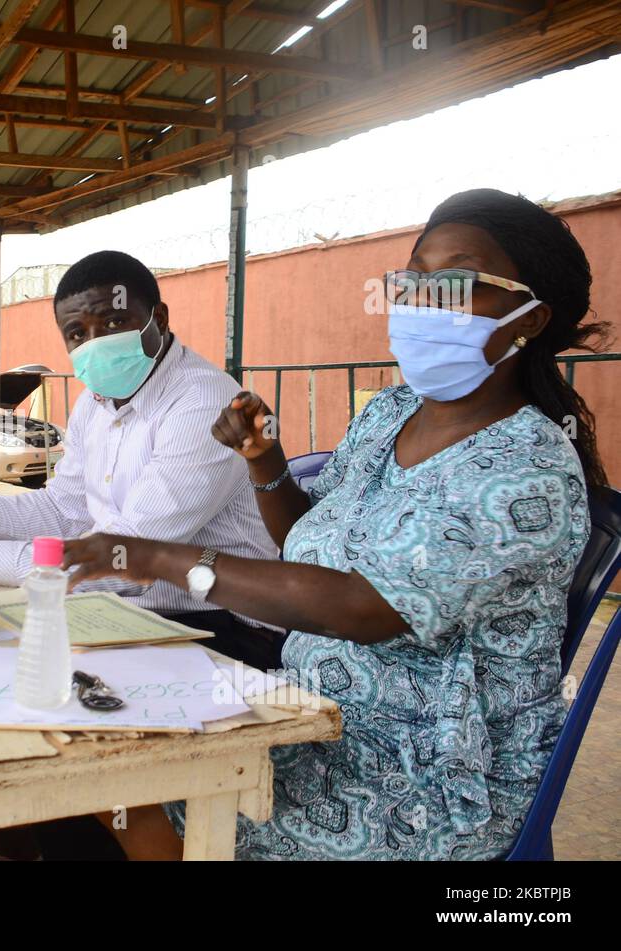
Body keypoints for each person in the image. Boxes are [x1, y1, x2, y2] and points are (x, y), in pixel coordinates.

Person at [63, 189, 604, 860]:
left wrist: (163, 559)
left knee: (131, 791)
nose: (421, 301)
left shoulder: (525, 467)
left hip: (423, 777)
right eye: (413, 280)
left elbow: (360, 607)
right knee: (93, 747)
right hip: (315, 715)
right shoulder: (392, 413)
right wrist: (264, 461)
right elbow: (307, 542)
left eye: (455, 282)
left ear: (530, 316)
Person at [0, 250, 283, 666]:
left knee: (17, 662)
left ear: (160, 318)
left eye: (115, 322)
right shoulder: (94, 403)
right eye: (78, 334)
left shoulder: (200, 402)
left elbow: (125, 554)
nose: (96, 343)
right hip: (129, 610)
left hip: (221, 624)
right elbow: (63, 510)